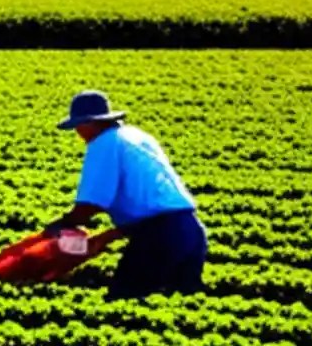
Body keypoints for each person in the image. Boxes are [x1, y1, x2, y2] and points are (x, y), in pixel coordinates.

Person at [43, 90, 207, 301]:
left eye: (78, 126)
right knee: (183, 307)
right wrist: (105, 238)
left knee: (123, 301)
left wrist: (60, 225)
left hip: (160, 239)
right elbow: (151, 207)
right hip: (191, 232)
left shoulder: (103, 144)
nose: (78, 133)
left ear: (89, 123)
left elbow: (89, 206)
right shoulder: (137, 137)